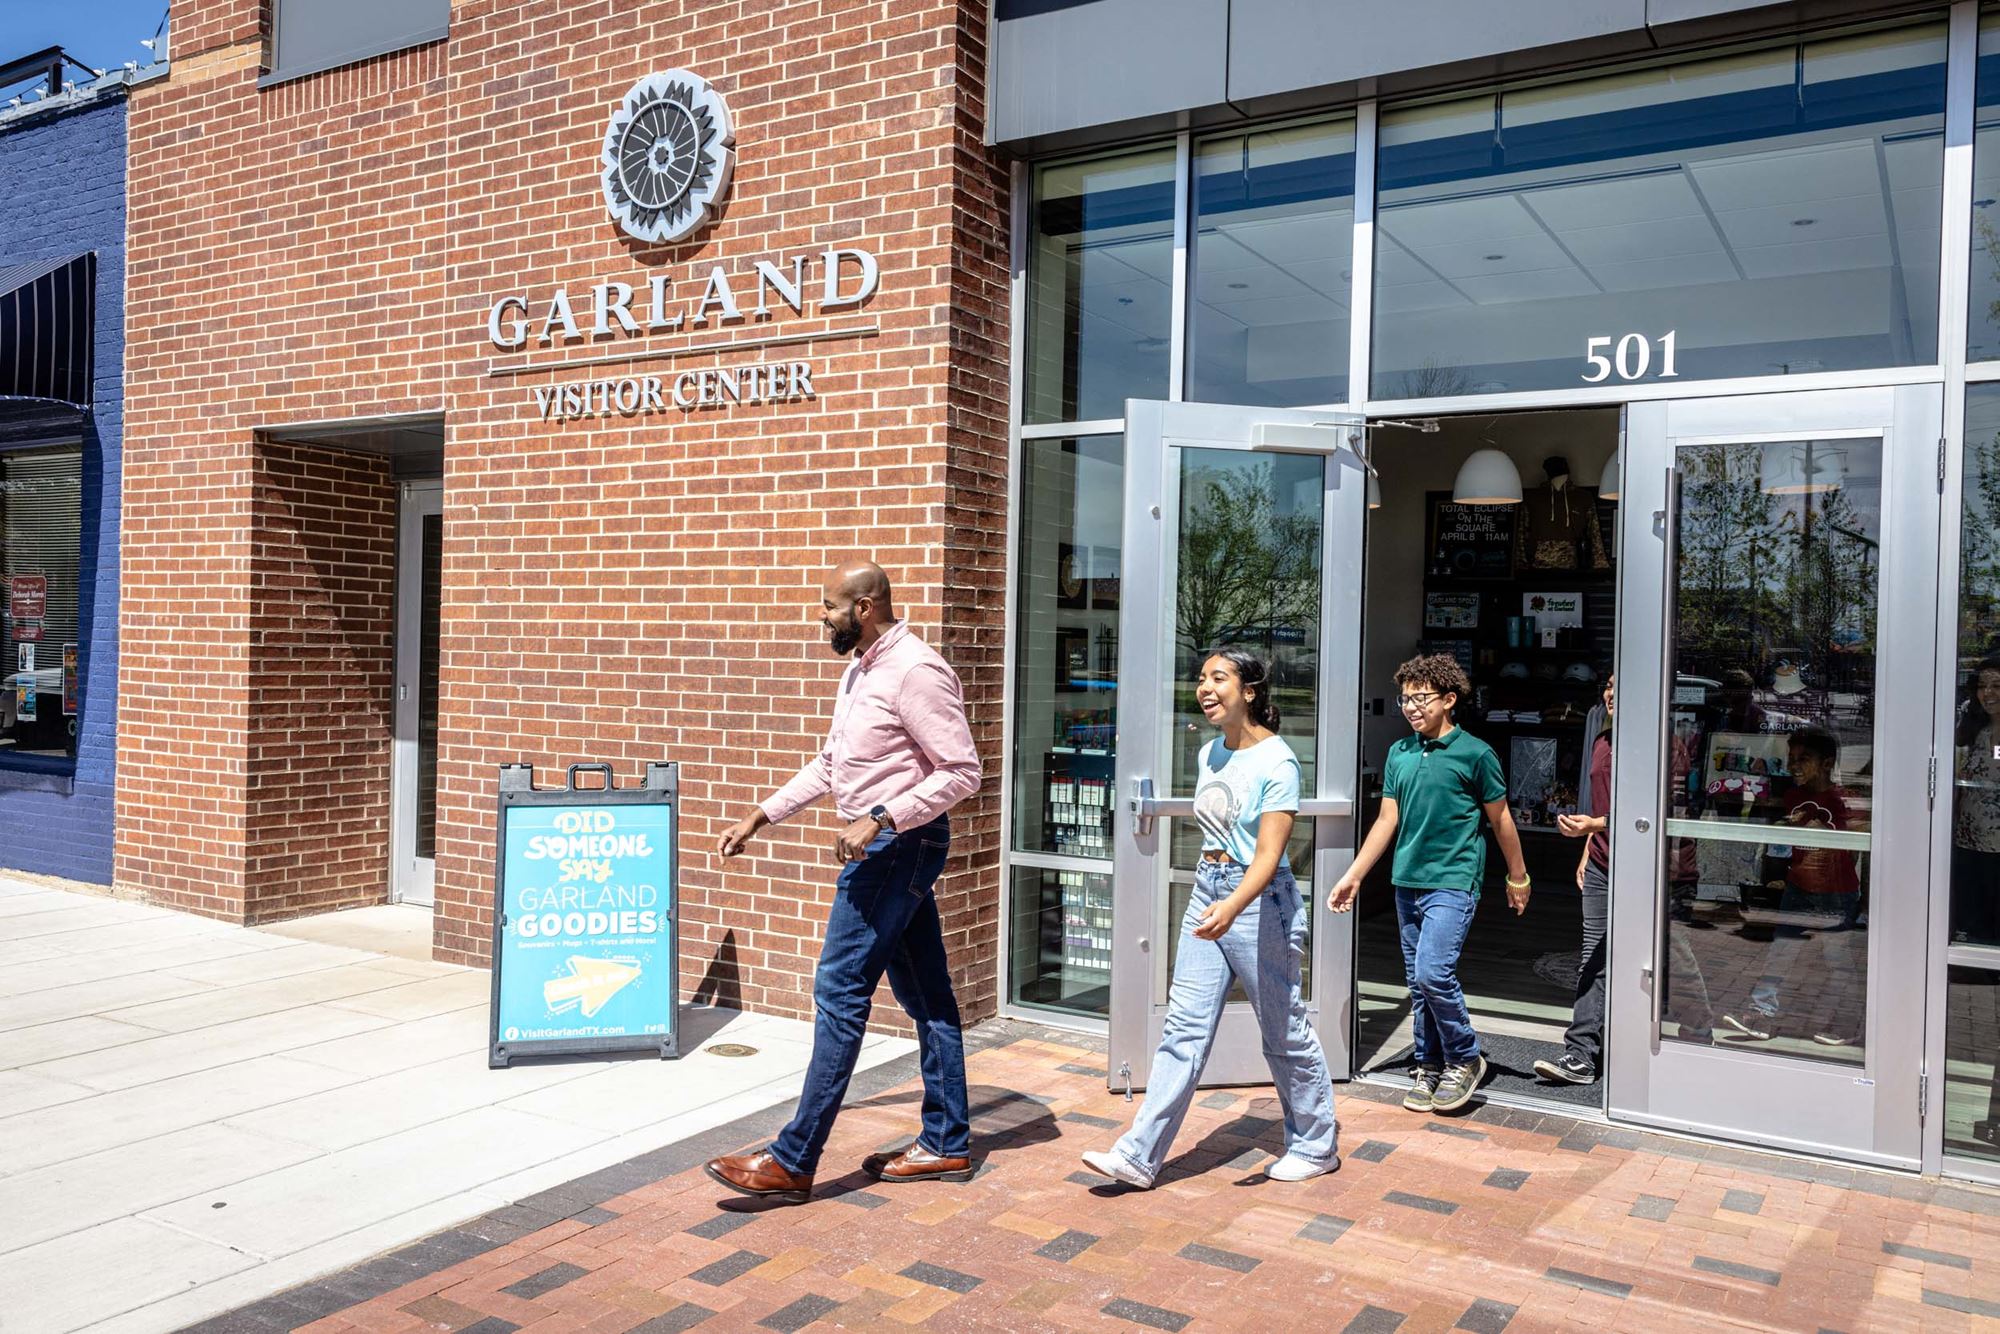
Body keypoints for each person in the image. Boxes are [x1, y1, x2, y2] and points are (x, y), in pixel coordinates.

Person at [704, 560, 982, 1204]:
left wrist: (881, 817)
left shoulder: (915, 670)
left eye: (829, 606)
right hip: (889, 844)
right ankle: (946, 1143)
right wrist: (760, 815)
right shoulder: (860, 669)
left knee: (839, 989)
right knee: (928, 997)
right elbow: (834, 763)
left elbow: (962, 772)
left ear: (864, 607)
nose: (819, 616)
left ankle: (794, 1159)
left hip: (897, 846)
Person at [1078, 648, 1339, 1189]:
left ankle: (1315, 1145)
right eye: (1200, 678)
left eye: (1218, 678)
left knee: (1282, 1029)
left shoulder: (1279, 761)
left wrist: (1234, 904)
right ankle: (1139, 1155)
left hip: (1259, 901)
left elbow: (1269, 855)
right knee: (1183, 1029)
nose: (1204, 687)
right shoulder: (1210, 754)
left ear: (1249, 691)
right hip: (1208, 890)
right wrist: (1216, 898)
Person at [1330, 654, 1530, 1114]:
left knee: (1432, 973)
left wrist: (1518, 876)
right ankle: (1429, 1063)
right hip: (1407, 881)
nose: (1410, 708)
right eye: (1405, 699)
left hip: (1454, 880)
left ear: (1449, 700)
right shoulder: (1400, 753)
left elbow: (1500, 821)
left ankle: (1464, 1056)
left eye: (1420, 698)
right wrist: (1355, 875)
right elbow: (1386, 820)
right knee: (1418, 984)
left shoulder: (1475, 754)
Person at [1719, 726, 1865, 1047]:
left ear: (1827, 763)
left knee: (1837, 960)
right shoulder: (1793, 797)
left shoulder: (1842, 801)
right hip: (1798, 886)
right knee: (1781, 954)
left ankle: (1849, 1020)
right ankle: (1760, 1013)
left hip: (1836, 892)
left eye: (1804, 758)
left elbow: (1854, 848)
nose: (1794, 765)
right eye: (1791, 757)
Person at [1538, 675, 1613, 1085]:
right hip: (1603, 861)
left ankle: (1696, 1036)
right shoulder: (1602, 742)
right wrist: (1589, 843)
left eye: (1621, 686)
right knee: (1593, 956)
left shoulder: (1662, 744)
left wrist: (1596, 824)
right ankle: (1580, 1054)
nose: (1611, 694)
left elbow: (1655, 810)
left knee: (1672, 956)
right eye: (1607, 685)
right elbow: (1602, 805)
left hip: (1653, 868)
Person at [1953, 657, 2000, 947]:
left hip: (1996, 843)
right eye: (1983, 686)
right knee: (1972, 910)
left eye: (1997, 685)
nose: (1989, 693)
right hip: (1968, 837)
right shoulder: (1975, 729)